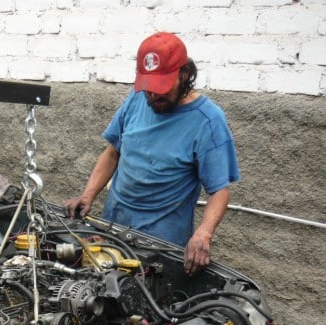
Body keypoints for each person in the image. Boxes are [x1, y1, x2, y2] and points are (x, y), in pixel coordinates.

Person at [65, 32, 240, 276]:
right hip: (112, 229)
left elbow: (219, 191)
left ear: (185, 75)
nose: (153, 96)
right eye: (149, 88)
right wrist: (87, 195)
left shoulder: (208, 121)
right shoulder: (137, 98)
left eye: (161, 88)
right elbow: (113, 152)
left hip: (160, 247)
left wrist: (203, 234)